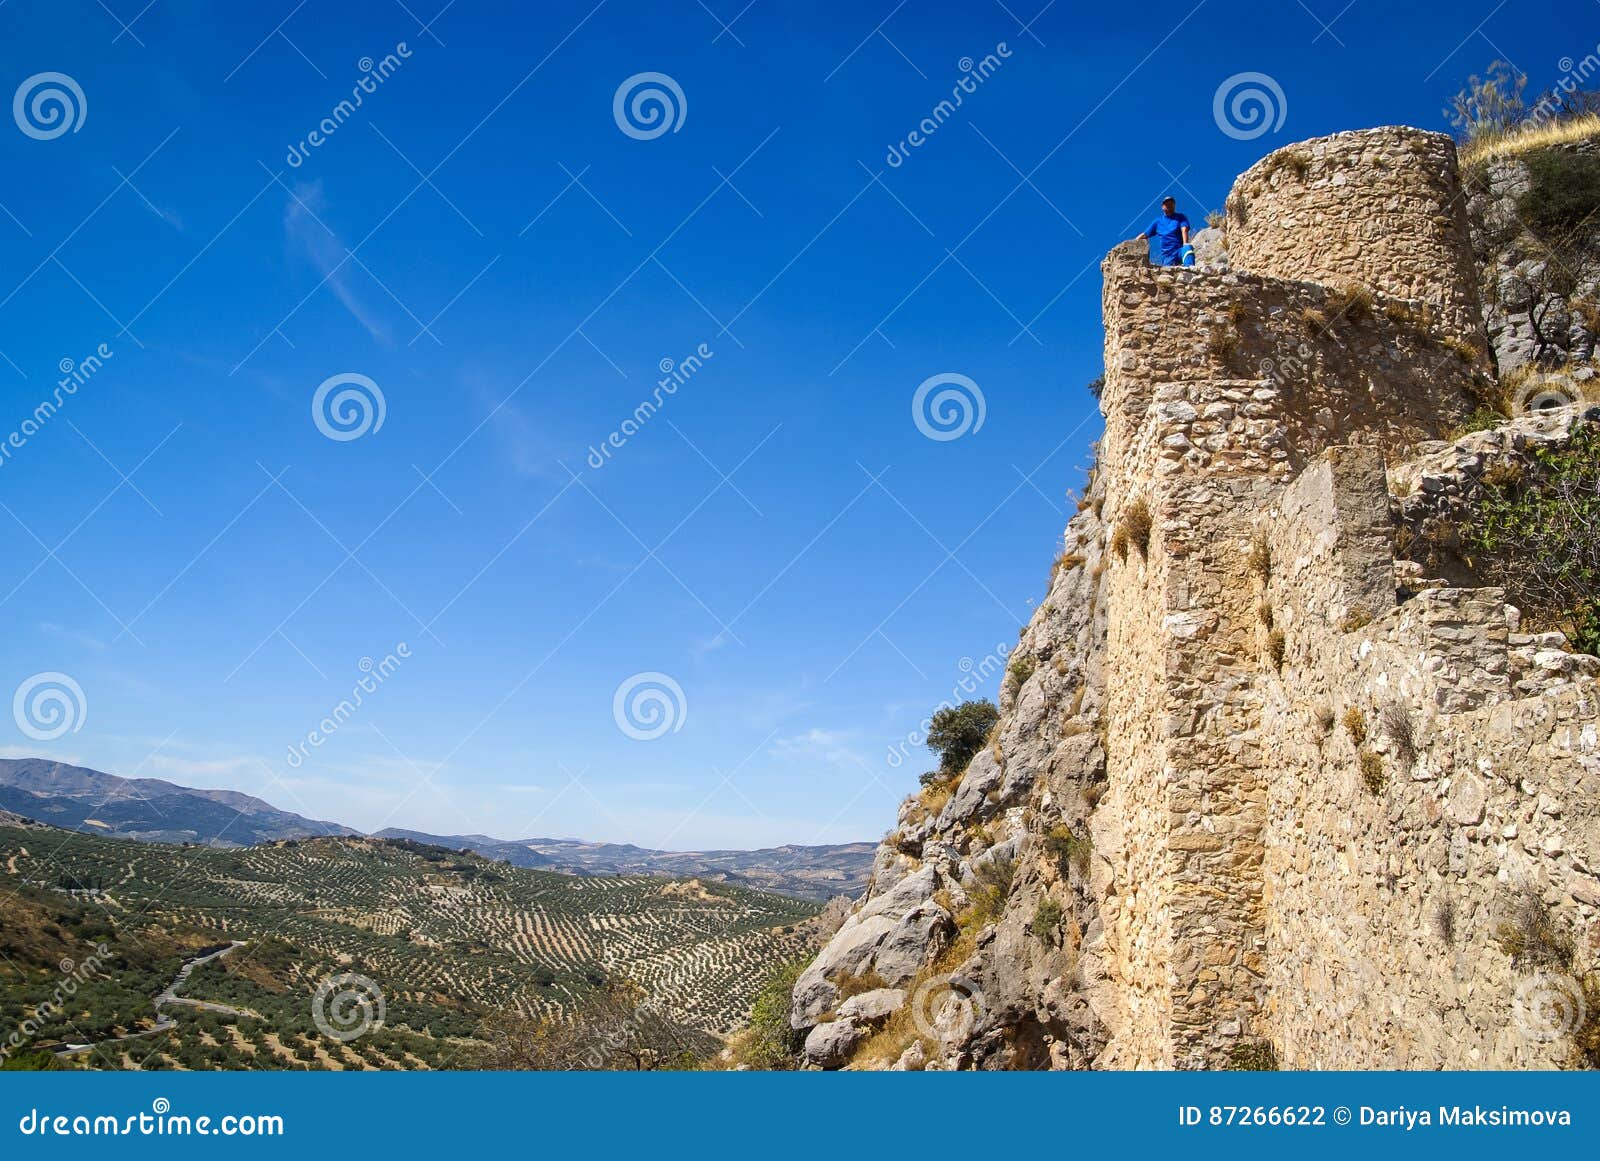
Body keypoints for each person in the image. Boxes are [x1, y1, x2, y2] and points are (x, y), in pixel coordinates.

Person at [1140, 197, 1190, 266]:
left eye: (1171, 204)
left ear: (1174, 205)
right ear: (1162, 207)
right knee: (1167, 273)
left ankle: (1191, 271)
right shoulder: (1157, 222)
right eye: (1167, 204)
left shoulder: (1180, 217)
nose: (1169, 205)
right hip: (1167, 255)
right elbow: (1145, 235)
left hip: (1179, 250)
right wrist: (1133, 242)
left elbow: (1184, 229)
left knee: (1188, 249)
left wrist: (1185, 245)